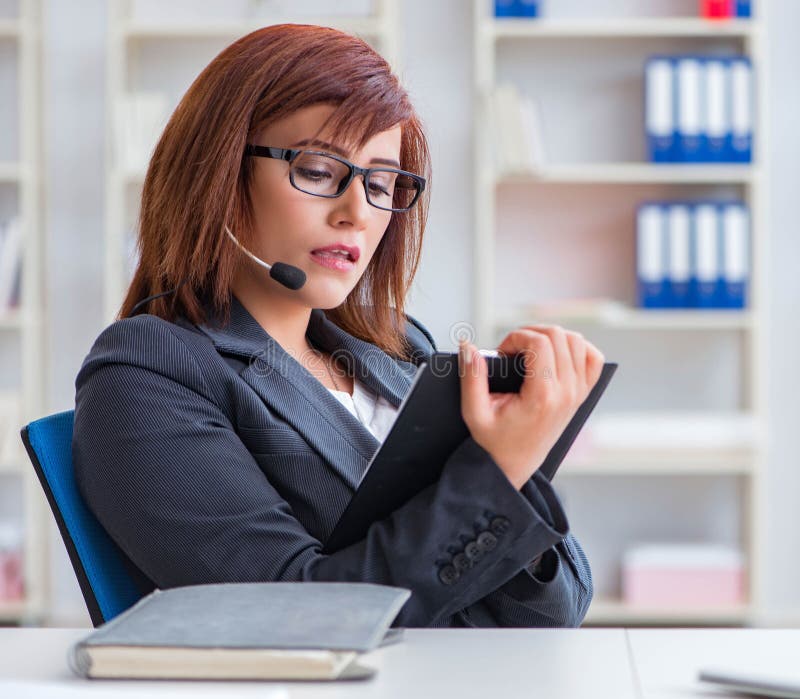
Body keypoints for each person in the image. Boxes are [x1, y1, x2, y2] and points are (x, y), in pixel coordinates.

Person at [73, 23, 604, 627]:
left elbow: (556, 614)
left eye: (380, 183)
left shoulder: (398, 346)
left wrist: (515, 459)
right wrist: (497, 474)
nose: (357, 212)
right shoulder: (145, 374)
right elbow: (299, 616)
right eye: (318, 171)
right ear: (218, 175)